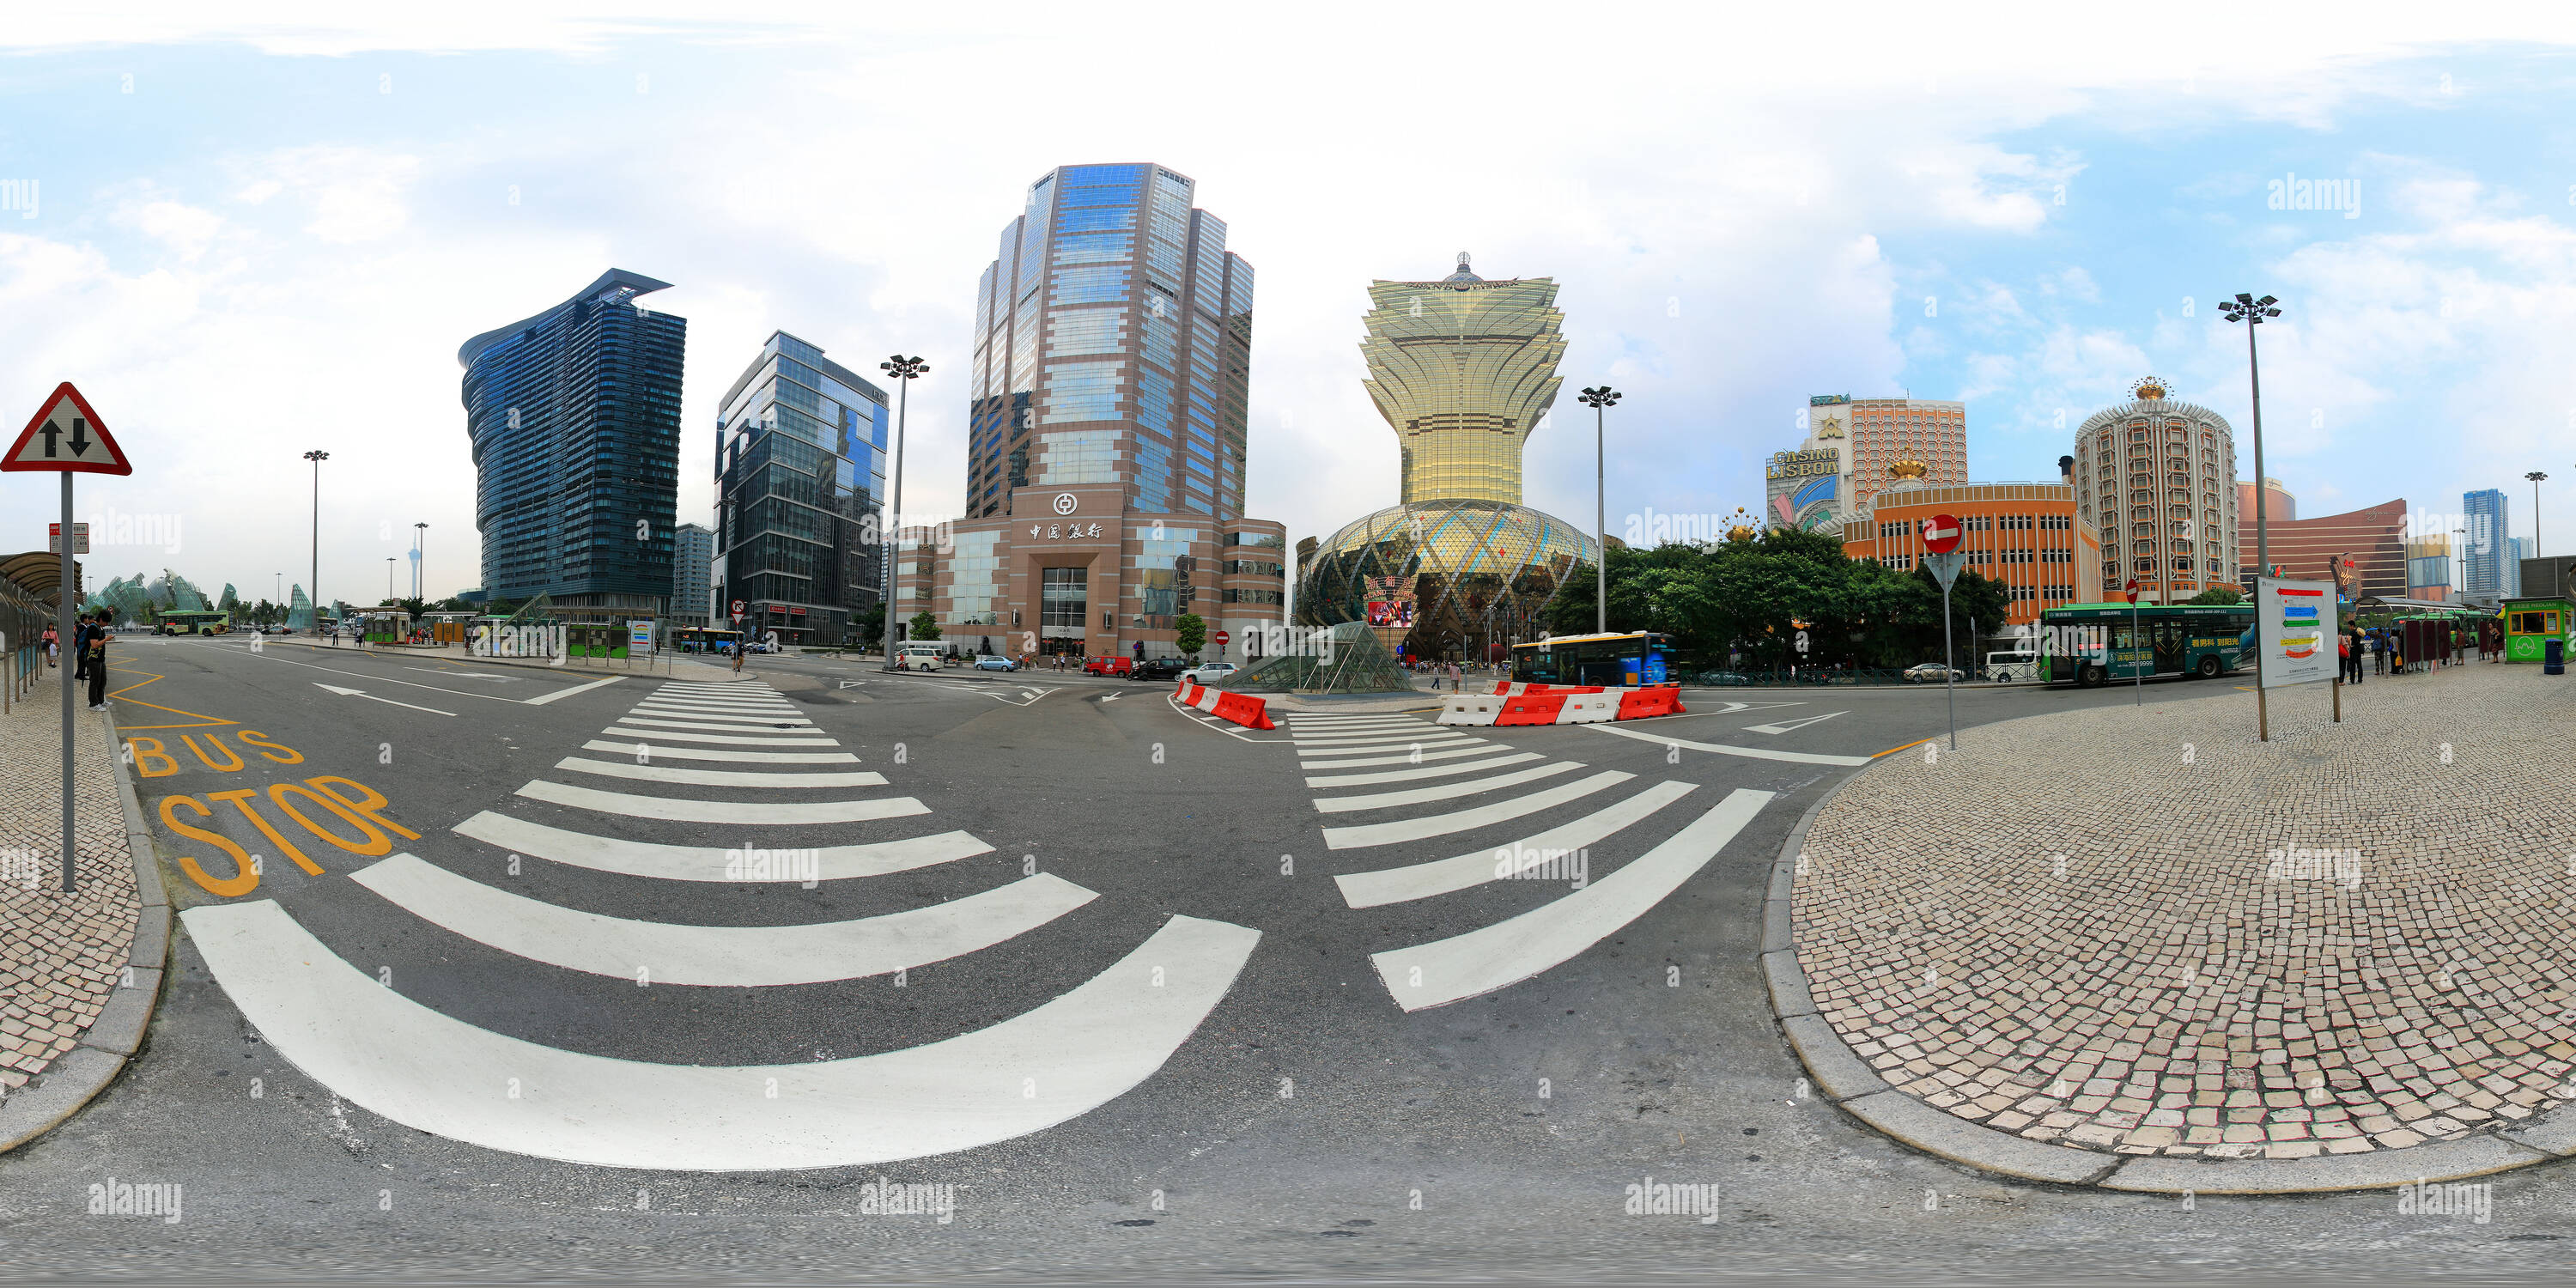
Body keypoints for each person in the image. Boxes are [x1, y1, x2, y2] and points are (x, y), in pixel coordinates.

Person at [85, 614, 110, 710]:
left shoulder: (100, 627)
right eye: (106, 622)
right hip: (93, 659)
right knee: (95, 681)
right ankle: (93, 704)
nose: (107, 624)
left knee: (103, 680)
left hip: (100, 658)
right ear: (100, 619)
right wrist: (106, 639)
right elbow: (94, 645)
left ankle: (101, 700)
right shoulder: (93, 628)